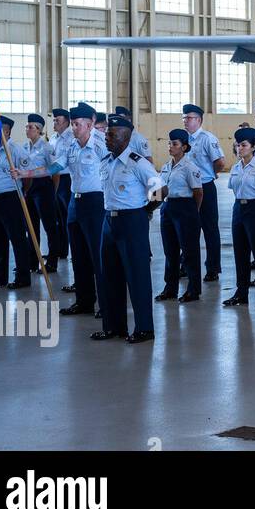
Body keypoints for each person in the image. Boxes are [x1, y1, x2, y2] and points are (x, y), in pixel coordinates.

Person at [16, 104, 108, 318]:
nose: (74, 128)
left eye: (77, 125)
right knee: (78, 254)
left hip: (96, 202)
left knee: (98, 256)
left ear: (90, 123)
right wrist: (25, 173)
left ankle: (106, 304)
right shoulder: (72, 146)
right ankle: (84, 301)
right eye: (73, 124)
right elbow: (54, 167)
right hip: (76, 203)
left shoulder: (100, 144)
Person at [94, 115, 163, 343]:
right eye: (106, 134)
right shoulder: (107, 161)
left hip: (132, 220)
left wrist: (144, 211)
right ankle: (114, 326)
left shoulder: (137, 163)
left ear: (126, 136)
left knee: (137, 276)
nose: (107, 137)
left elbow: (161, 191)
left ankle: (144, 328)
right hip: (109, 221)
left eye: (112, 134)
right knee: (109, 276)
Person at [224, 127, 255, 309]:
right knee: (240, 253)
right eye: (237, 145)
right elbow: (234, 189)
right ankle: (241, 293)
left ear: (254, 147)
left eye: (243, 145)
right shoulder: (236, 167)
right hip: (239, 209)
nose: (239, 149)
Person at [0, 116, 35, 289]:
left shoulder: (16, 150)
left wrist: (23, 192)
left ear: (6, 131)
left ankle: (22, 277)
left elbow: (28, 176)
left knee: (17, 238)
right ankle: (0, 275)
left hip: (11, 199)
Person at [156, 129, 203, 303]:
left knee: (189, 251)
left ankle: (193, 289)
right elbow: (160, 190)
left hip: (185, 207)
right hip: (168, 207)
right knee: (170, 251)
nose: (170, 147)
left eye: (174, 144)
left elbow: (198, 192)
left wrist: (192, 212)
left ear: (183, 147)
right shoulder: (166, 166)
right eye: (169, 143)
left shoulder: (190, 167)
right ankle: (170, 288)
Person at [183, 104, 226, 282]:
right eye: (184, 118)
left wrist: (210, 174)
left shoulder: (208, 138)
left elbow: (220, 162)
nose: (185, 121)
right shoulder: (183, 139)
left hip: (205, 187)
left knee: (209, 229)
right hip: (187, 189)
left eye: (189, 118)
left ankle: (213, 268)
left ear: (199, 120)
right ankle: (186, 266)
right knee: (186, 230)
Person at [21, 114, 65, 274]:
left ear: (39, 130)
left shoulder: (47, 147)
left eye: (30, 127)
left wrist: (52, 192)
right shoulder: (24, 147)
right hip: (29, 188)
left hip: (44, 187)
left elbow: (56, 171)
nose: (27, 129)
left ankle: (52, 261)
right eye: (27, 126)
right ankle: (32, 261)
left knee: (49, 226)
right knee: (31, 227)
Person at [48, 108, 74, 271]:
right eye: (54, 120)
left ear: (66, 122)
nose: (54, 123)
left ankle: (73, 251)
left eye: (57, 120)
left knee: (69, 218)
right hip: (54, 179)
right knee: (58, 218)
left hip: (67, 179)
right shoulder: (52, 138)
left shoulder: (72, 138)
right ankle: (61, 250)